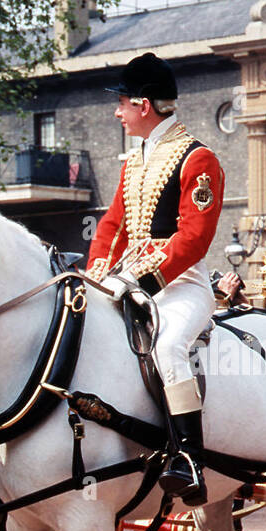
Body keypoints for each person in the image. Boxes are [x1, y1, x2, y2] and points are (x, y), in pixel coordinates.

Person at [87, 52, 225, 505]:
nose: (117, 111)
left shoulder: (197, 158)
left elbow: (194, 238)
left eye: (122, 102)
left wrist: (147, 280)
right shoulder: (134, 162)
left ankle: (188, 457)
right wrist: (96, 278)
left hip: (182, 285)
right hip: (128, 279)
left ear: (143, 105)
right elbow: (112, 227)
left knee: (167, 347)